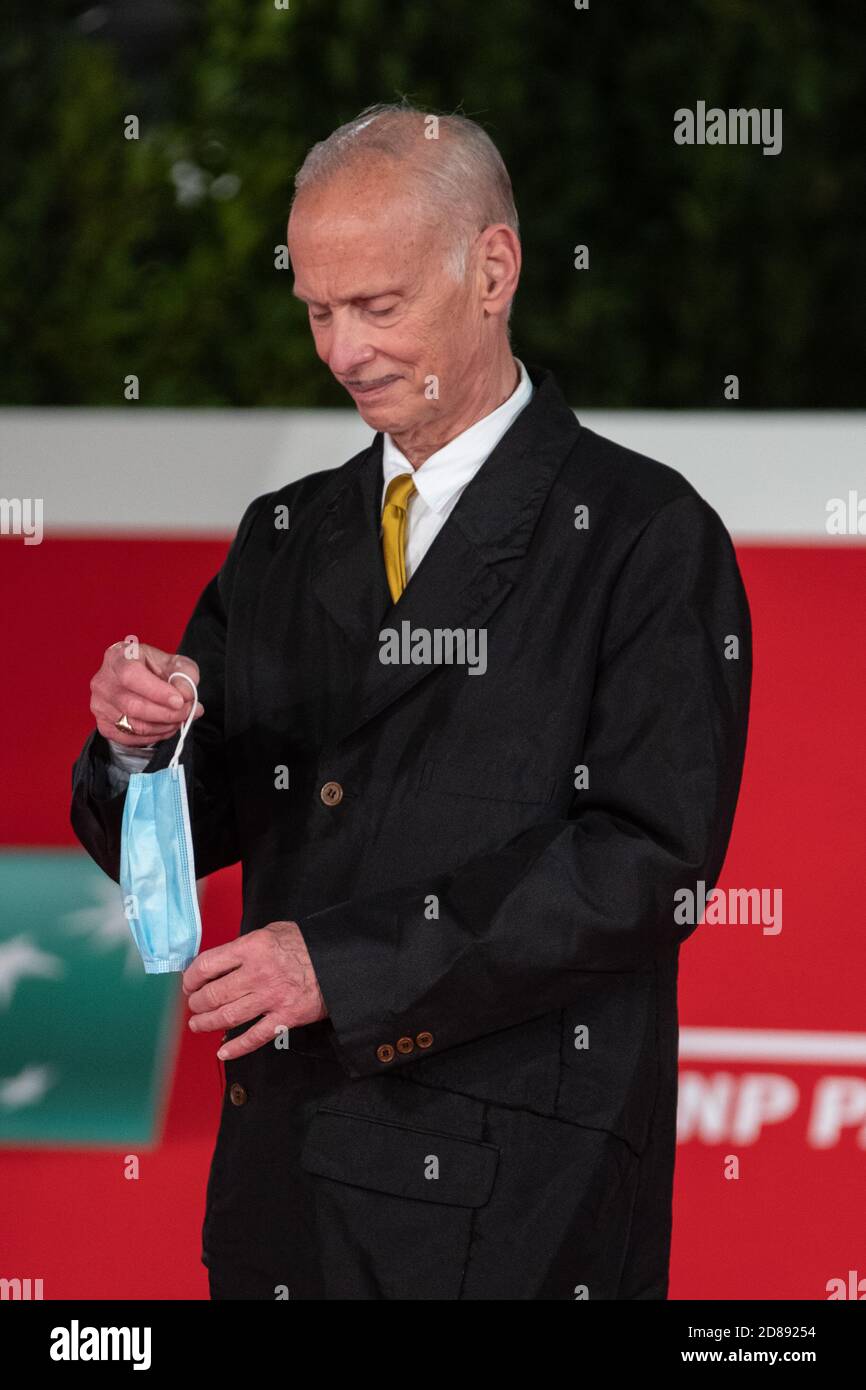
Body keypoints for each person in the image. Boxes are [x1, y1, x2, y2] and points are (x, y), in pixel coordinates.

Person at [71, 102, 752, 1300]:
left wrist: (344, 964)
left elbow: (649, 862)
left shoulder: (645, 535)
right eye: (318, 313)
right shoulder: (282, 537)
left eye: (376, 307)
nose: (341, 352)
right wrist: (139, 748)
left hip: (519, 1214)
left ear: (493, 269)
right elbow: (172, 834)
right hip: (283, 1198)